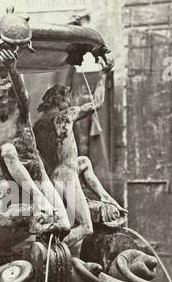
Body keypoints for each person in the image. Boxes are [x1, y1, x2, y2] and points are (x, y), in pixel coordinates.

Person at [0, 48, 68, 234]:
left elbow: (23, 94)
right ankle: (37, 200)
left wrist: (12, 68)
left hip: (36, 171)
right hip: (11, 176)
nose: (4, 102)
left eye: (7, 97)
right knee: (8, 149)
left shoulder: (20, 114)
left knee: (64, 225)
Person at [34, 67, 126, 249]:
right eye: (67, 99)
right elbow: (97, 102)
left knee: (84, 161)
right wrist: (102, 75)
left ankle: (105, 196)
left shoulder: (38, 125)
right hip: (67, 177)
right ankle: (51, 255)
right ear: (59, 100)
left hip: (55, 177)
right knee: (86, 227)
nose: (69, 103)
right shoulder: (66, 116)